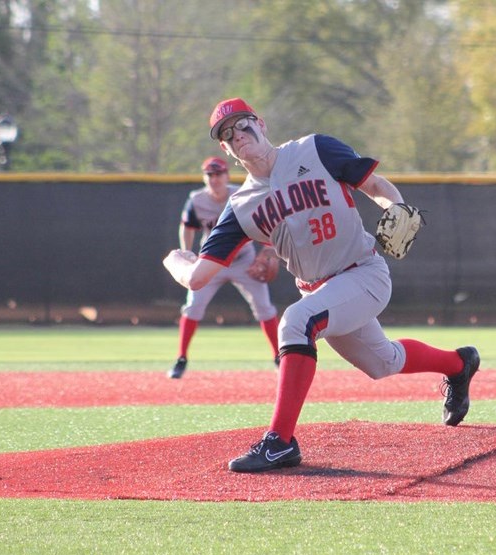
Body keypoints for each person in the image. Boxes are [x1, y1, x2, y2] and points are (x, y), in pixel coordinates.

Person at [163, 98, 479, 473]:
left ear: (261, 123)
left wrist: (394, 205)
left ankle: (280, 442)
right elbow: (198, 277)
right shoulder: (241, 206)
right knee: (383, 363)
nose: (238, 134)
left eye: (243, 124)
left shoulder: (314, 149)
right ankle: (460, 364)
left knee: (295, 323)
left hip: (363, 273)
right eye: (227, 134)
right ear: (225, 149)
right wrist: (175, 261)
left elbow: (374, 184)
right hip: (319, 291)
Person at [167, 155, 280, 379]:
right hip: (211, 261)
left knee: (264, 308)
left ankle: (279, 356)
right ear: (204, 177)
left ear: (227, 176)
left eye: (218, 174)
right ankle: (181, 358)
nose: (214, 179)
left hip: (243, 260)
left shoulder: (240, 193)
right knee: (193, 307)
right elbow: (187, 227)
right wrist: (188, 253)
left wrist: (267, 251)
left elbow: (264, 221)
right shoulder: (196, 200)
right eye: (210, 175)